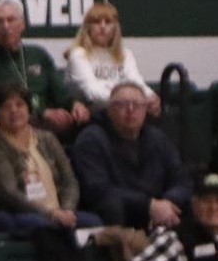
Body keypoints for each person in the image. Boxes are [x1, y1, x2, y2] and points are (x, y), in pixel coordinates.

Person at [0, 83, 101, 232]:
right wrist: (51, 214)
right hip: (20, 212)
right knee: (45, 227)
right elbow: (9, 193)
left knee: (93, 221)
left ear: (29, 110)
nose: (14, 111)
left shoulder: (47, 138)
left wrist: (67, 210)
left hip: (59, 209)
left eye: (19, 105)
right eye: (6, 107)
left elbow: (69, 181)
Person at [72, 81, 194, 230]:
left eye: (137, 104)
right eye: (122, 104)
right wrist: (149, 205)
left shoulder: (157, 138)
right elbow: (97, 189)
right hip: (120, 211)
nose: (130, 109)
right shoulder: (91, 139)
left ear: (145, 110)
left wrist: (168, 202)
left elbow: (182, 178)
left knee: (197, 201)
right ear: (109, 110)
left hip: (161, 209)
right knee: (112, 206)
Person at [0, 0, 89, 133]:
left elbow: (59, 90)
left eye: (11, 20)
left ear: (22, 25)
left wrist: (75, 104)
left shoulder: (38, 54)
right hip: (13, 124)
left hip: (51, 122)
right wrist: (42, 114)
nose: (5, 26)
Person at [66, 1, 159, 114]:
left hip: (126, 112)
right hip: (94, 115)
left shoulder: (125, 54)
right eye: (96, 22)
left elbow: (136, 81)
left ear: (115, 28)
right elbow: (92, 92)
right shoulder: (79, 55)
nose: (102, 26)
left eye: (108, 22)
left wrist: (150, 95)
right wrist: (132, 99)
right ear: (88, 28)